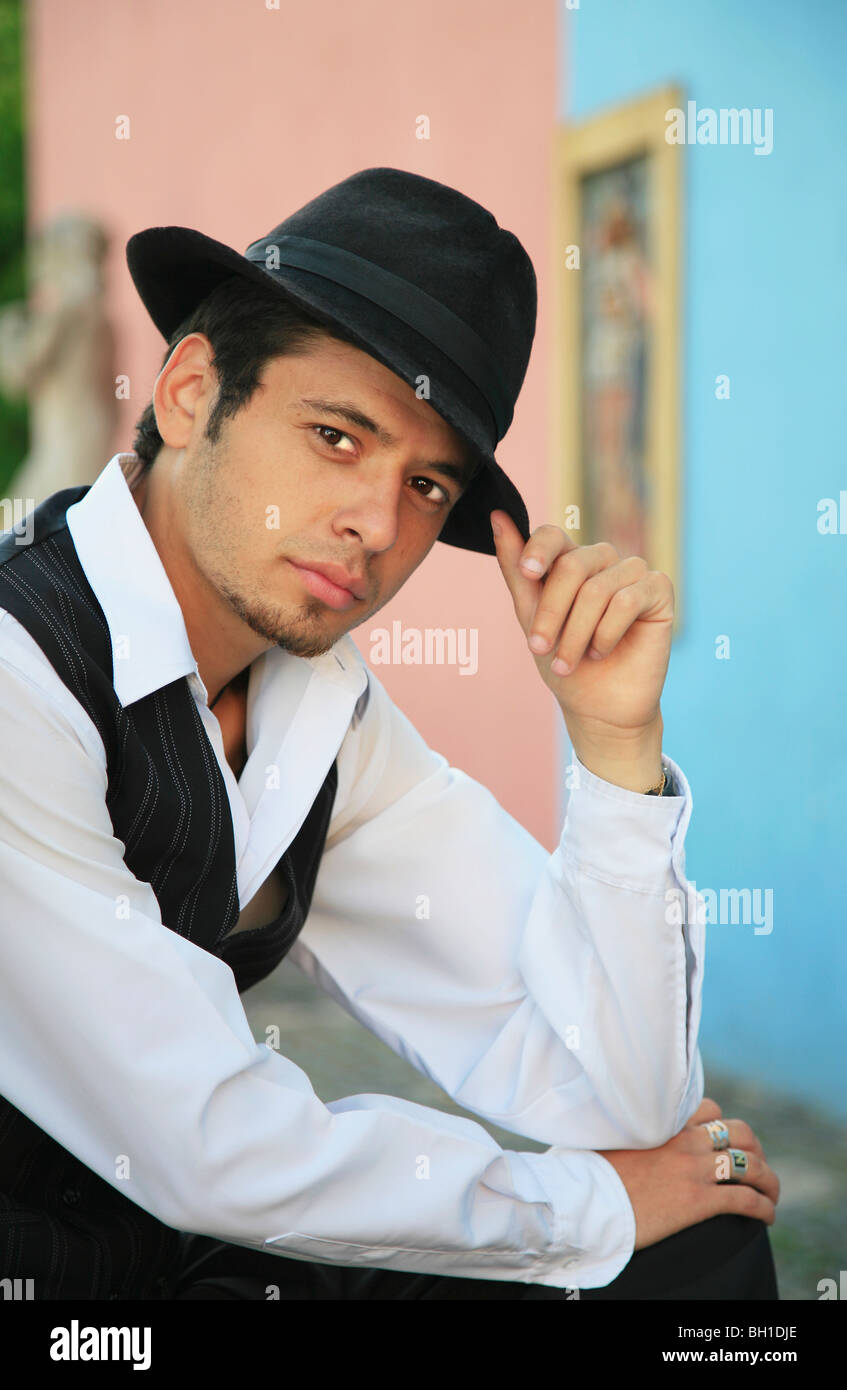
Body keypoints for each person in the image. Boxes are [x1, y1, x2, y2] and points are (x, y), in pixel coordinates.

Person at [0, 167, 778, 1301]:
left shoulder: (320, 705)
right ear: (188, 391)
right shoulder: (21, 670)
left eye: (424, 483)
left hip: (163, 1258)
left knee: (690, 1252)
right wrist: (592, 1207)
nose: (375, 522)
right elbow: (205, 1144)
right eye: (334, 436)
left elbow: (613, 1091)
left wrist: (613, 751)